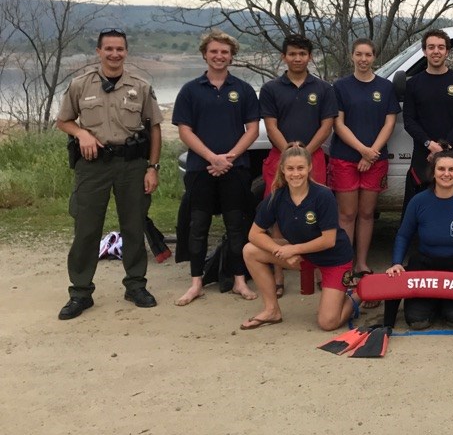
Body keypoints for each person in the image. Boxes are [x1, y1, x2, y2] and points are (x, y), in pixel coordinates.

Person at [55, 28, 163, 320]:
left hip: (132, 165)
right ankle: (80, 292)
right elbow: (63, 121)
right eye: (109, 49)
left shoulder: (140, 87)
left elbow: (154, 128)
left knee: (133, 226)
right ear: (99, 52)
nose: (115, 54)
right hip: (93, 166)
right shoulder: (80, 85)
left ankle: (136, 286)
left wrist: (152, 168)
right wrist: (81, 134)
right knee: (86, 229)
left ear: (126, 52)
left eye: (120, 49)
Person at [171, 30, 260, 306]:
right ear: (204, 54)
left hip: (236, 168)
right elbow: (185, 130)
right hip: (201, 169)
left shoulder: (243, 89)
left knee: (236, 226)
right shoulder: (190, 90)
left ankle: (239, 280)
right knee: (198, 226)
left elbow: (253, 130)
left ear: (232, 56)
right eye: (214, 51)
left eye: (224, 52)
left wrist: (228, 158)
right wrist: (212, 157)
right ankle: (196, 283)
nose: (219, 56)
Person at [240, 146, 356, 331]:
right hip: (303, 254)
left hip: (333, 259)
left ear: (309, 167)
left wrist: (293, 249)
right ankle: (271, 310)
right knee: (250, 251)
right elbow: (254, 234)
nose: (295, 174)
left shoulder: (323, 195)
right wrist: (280, 250)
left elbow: (329, 240)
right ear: (283, 170)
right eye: (290, 168)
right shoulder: (277, 197)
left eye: (300, 168)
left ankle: (356, 295)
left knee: (328, 323)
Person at [258, 33, 337, 296]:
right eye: (292, 54)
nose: (297, 58)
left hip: (313, 158)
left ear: (310, 57)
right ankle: (278, 273)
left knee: (315, 213)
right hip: (279, 158)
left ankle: (318, 271)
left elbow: (327, 125)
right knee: (276, 214)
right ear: (284, 57)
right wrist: (289, 155)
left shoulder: (323, 89)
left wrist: (304, 154)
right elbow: (271, 126)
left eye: (302, 54)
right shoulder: (271, 89)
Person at [386, 151, 453, 329]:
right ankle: (431, 303)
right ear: (433, 172)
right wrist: (396, 263)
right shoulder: (418, 201)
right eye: (441, 169)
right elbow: (404, 235)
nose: (446, 174)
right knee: (416, 321)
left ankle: (446, 305)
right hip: (425, 270)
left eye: (452, 169)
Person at [329, 38, 400, 279]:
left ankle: (361, 263)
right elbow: (338, 124)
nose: (363, 59)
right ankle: (345, 264)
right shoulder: (340, 86)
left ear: (374, 57)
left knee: (367, 214)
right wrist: (362, 150)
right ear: (352, 56)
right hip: (345, 158)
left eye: (368, 55)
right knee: (347, 214)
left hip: (375, 160)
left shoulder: (385, 87)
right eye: (359, 54)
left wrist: (371, 154)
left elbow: (389, 123)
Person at [401, 29, 453, 211]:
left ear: (447, 51)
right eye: (431, 47)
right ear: (424, 51)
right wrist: (429, 144)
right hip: (423, 155)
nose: (436, 51)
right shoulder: (413, 84)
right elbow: (409, 120)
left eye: (441, 47)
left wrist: (443, 146)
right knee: (419, 210)